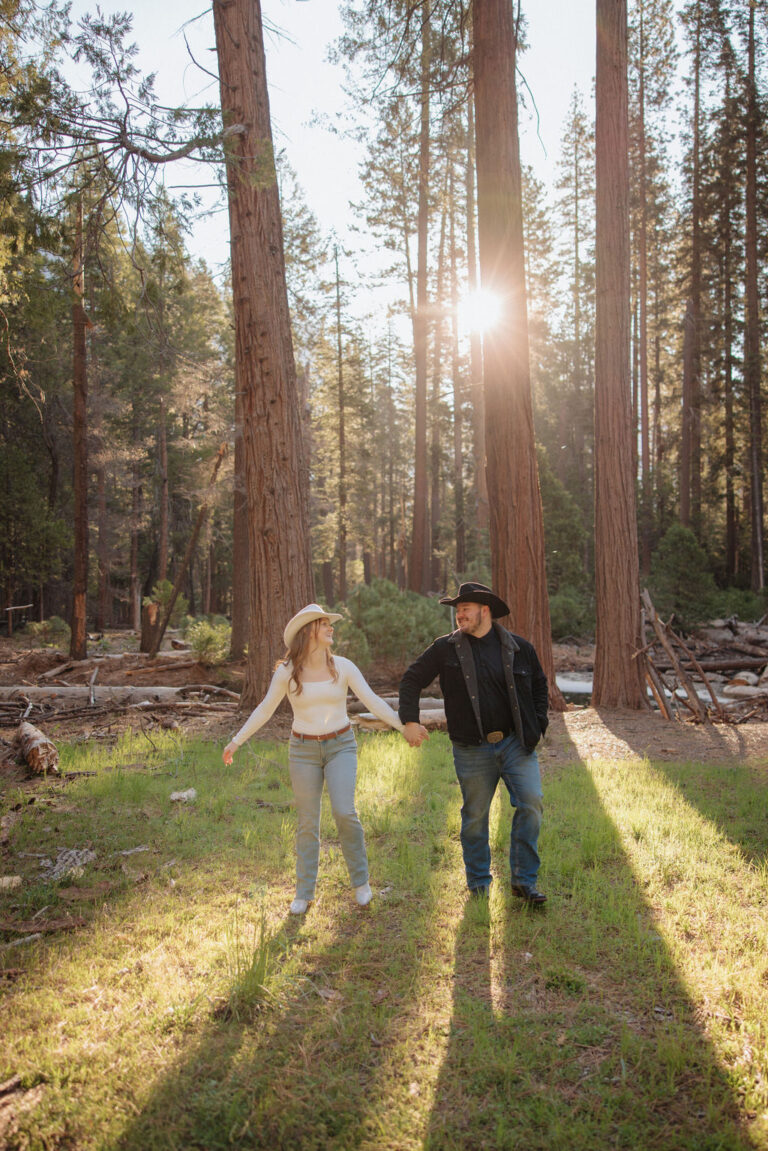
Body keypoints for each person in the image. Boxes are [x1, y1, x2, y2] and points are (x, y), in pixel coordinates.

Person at [223, 604, 428, 915]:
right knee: (307, 822)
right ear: (309, 632)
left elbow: (371, 699)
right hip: (302, 750)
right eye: (324, 624)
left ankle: (361, 882)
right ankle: (304, 892)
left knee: (344, 811)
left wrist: (403, 727)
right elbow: (265, 709)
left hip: (340, 746)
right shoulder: (287, 672)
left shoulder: (343, 667)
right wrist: (236, 742)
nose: (332, 628)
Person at [399, 582, 549, 905]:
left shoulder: (520, 647)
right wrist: (410, 720)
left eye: (465, 608)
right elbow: (412, 679)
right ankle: (479, 884)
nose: (459, 615)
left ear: (486, 611)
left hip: (515, 744)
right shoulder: (445, 649)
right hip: (471, 748)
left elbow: (539, 684)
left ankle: (524, 881)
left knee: (532, 803)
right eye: (457, 610)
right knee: (476, 816)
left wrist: (539, 724)